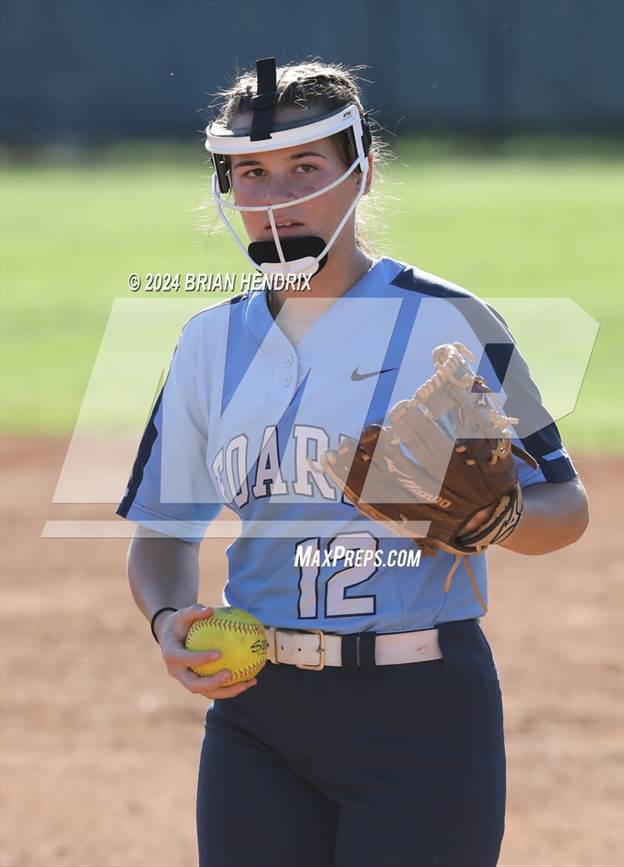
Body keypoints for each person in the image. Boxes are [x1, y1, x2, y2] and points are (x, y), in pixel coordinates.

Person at [116, 58, 589, 867]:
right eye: (252, 173)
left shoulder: (450, 319)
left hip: (423, 710)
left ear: (360, 174)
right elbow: (163, 533)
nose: (277, 196)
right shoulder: (207, 343)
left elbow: (566, 511)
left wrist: (502, 517)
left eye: (306, 166)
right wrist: (168, 620)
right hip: (257, 711)